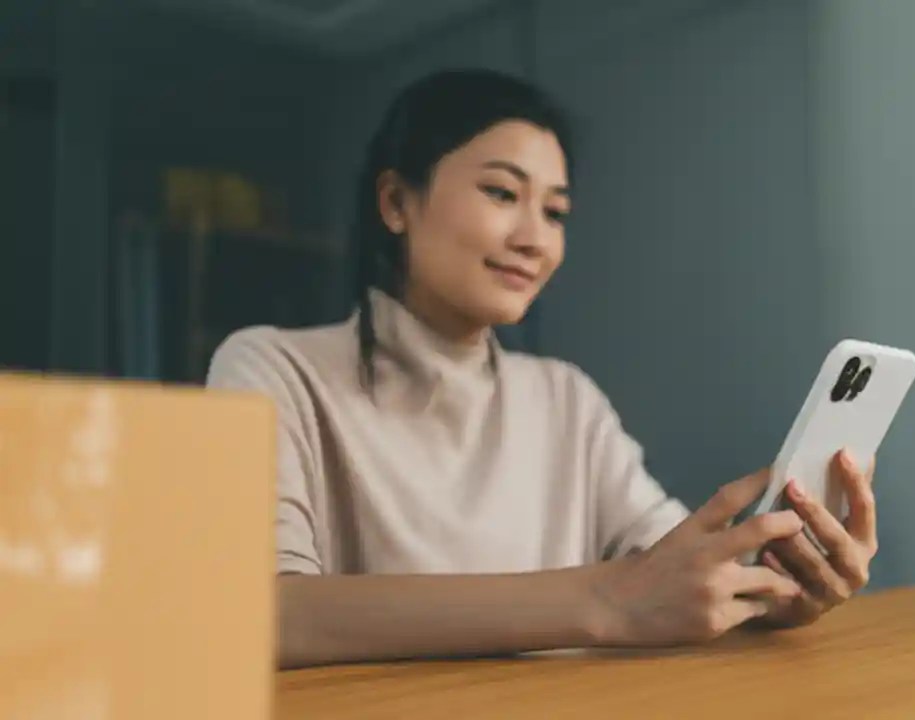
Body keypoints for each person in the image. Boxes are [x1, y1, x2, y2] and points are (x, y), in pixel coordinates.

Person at [207, 69, 878, 669]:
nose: (535, 238)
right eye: (503, 193)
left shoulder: (566, 399)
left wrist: (769, 589)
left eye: (554, 211)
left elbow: (670, 574)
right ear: (395, 202)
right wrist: (605, 601)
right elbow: (266, 614)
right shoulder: (273, 367)